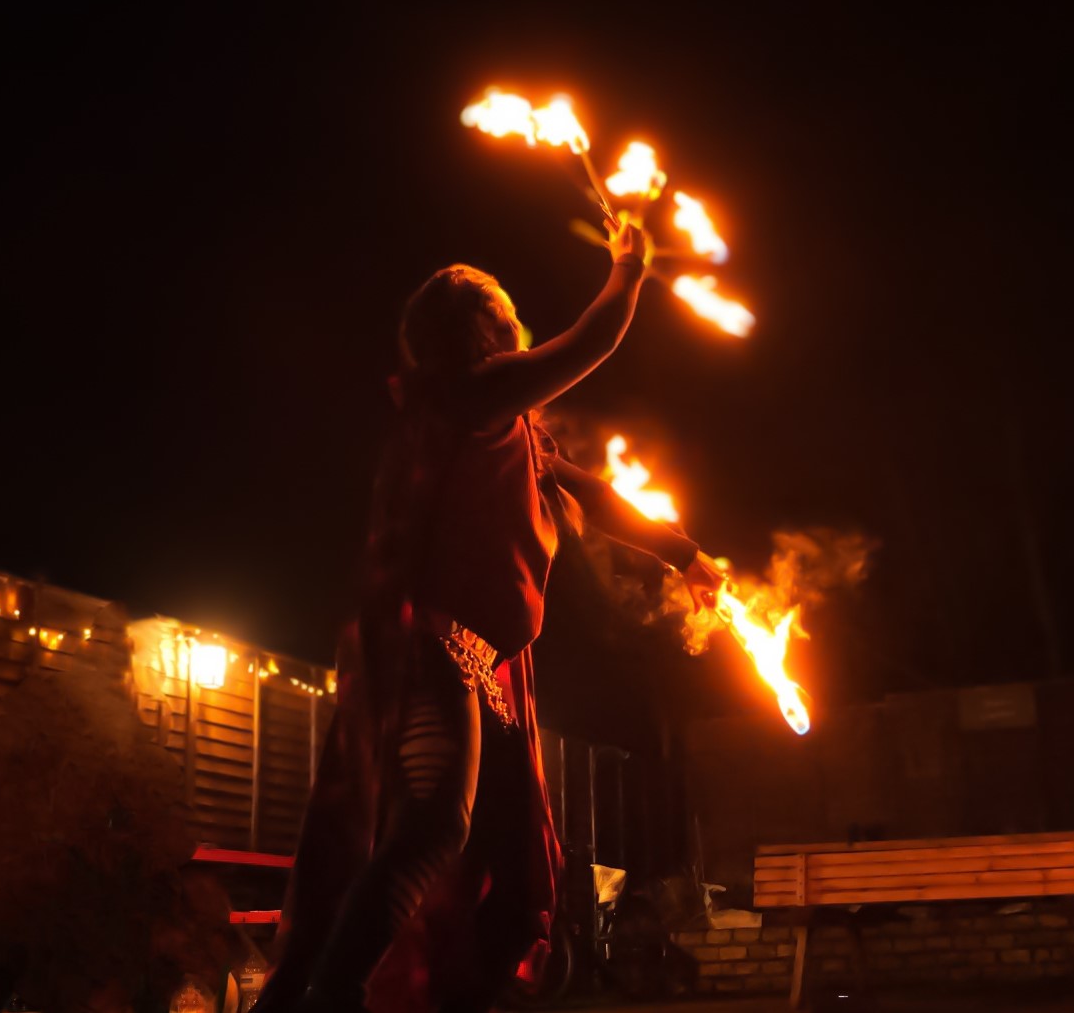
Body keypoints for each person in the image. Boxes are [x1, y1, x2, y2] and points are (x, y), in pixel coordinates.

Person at [252, 216, 727, 1013]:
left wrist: (683, 554)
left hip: (487, 672)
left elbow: (599, 497)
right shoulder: (465, 396)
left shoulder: (512, 427)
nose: (516, 315)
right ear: (478, 330)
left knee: (510, 869)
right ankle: (328, 994)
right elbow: (592, 341)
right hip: (433, 652)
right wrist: (629, 264)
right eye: (502, 305)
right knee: (435, 826)